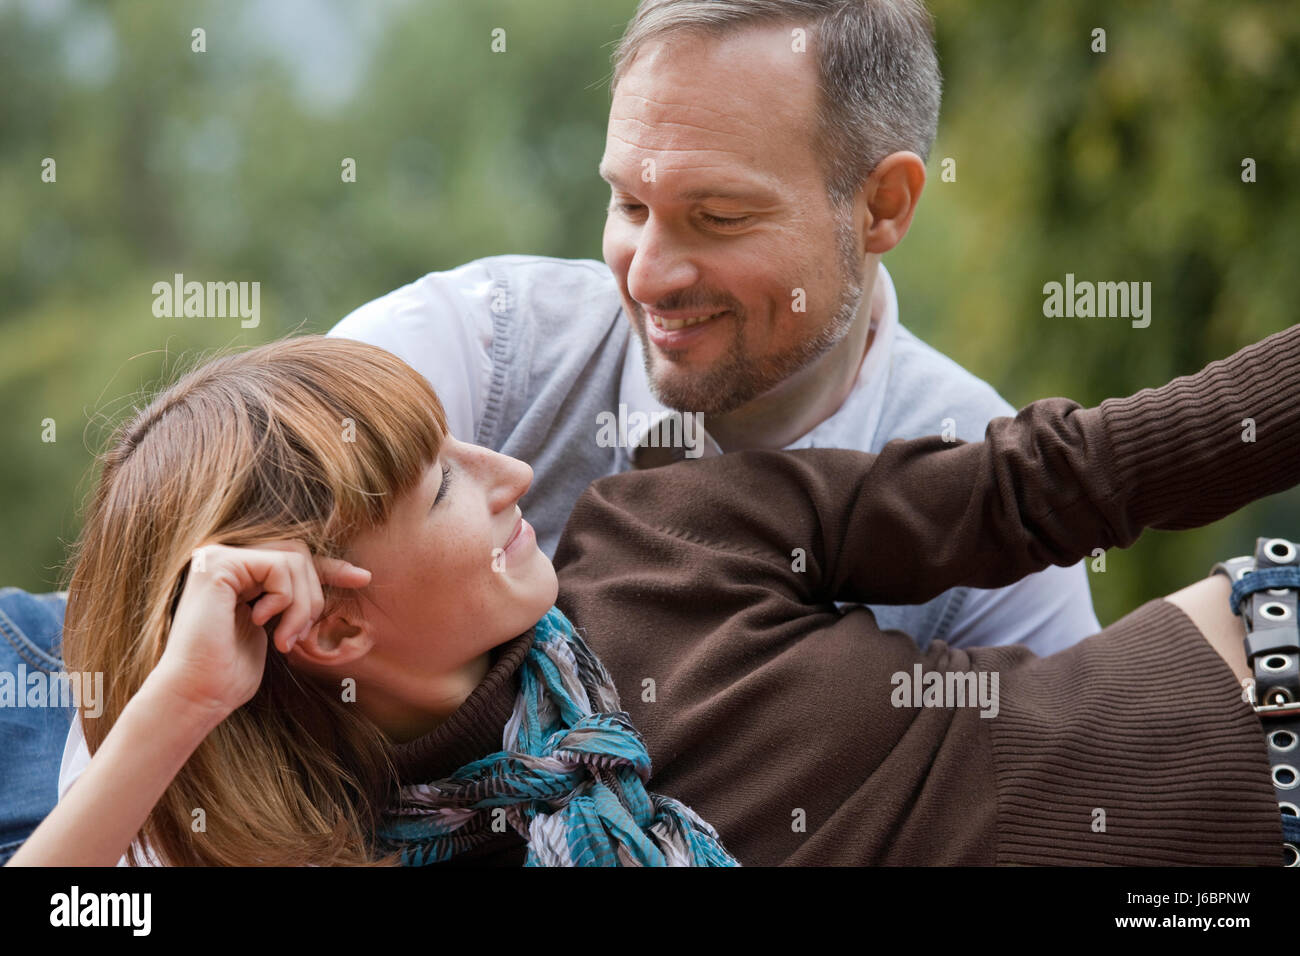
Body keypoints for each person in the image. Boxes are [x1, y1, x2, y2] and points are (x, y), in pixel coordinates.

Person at [10, 323, 1300, 867]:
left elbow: (1052, 481)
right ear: (336, 623)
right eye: (445, 484)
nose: (513, 470)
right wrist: (180, 701)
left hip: (1262, 693)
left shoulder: (654, 535)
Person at [329, 0, 1100, 661]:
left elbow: (1066, 798)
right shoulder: (475, 351)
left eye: (719, 218)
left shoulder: (991, 500)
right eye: (629, 205)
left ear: (884, 206)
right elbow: (232, 526)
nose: (644, 276)